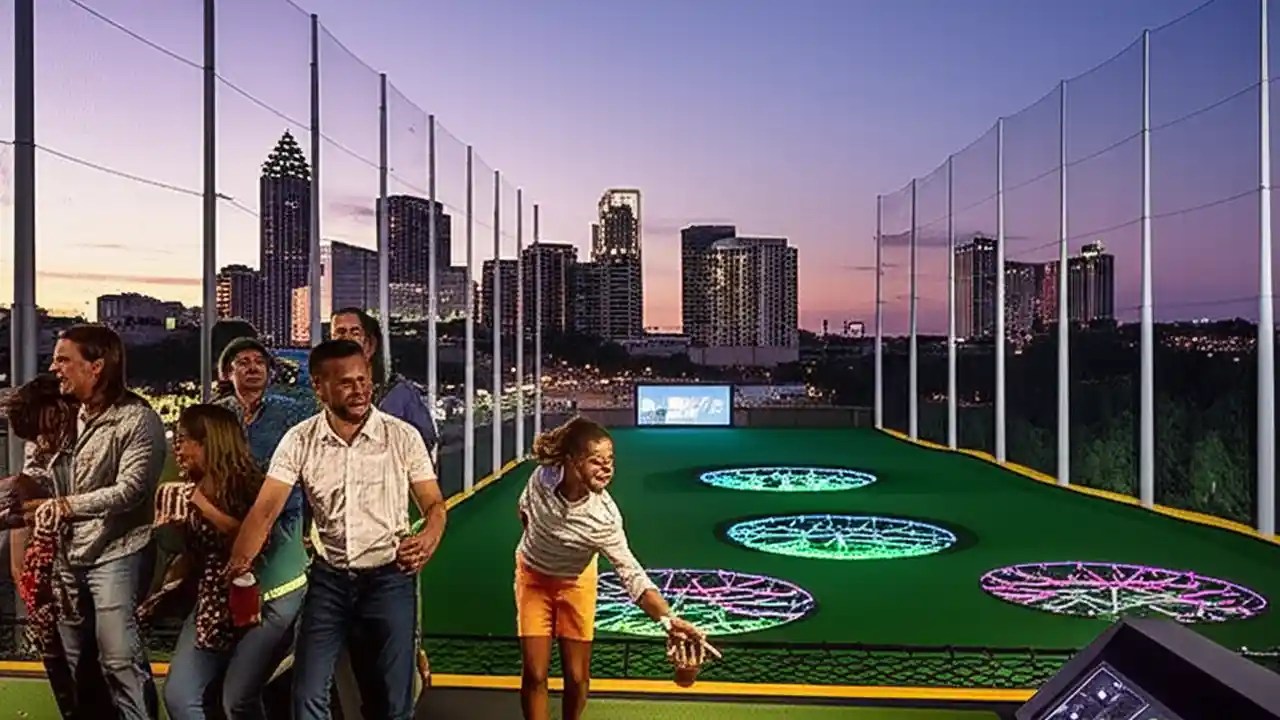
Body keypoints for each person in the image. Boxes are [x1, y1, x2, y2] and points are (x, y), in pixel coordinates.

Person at [226, 339, 447, 720]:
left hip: (389, 580)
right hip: (329, 582)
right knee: (307, 694)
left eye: (364, 379)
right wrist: (239, 562)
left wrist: (429, 535)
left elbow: (433, 505)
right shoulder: (300, 440)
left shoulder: (402, 437)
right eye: (346, 383)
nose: (360, 389)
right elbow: (265, 509)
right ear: (319, 386)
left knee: (393, 702)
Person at [515, 416, 707, 720]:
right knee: (535, 673)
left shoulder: (604, 518)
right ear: (571, 461)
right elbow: (524, 510)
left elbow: (631, 572)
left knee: (577, 678)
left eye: (610, 461)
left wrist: (667, 619)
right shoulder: (542, 478)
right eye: (596, 461)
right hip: (532, 578)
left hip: (576, 583)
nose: (607, 469)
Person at [39, 324, 167, 719]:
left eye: (63, 359)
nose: (54, 367)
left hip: (118, 552)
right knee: (80, 662)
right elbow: (48, 474)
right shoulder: (64, 417)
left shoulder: (138, 419)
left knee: (119, 658)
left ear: (96, 366)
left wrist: (66, 506)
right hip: (67, 555)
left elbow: (132, 490)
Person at [155, 404, 307, 719]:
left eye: (183, 440)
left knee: (238, 699)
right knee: (180, 695)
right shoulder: (188, 486)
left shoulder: (253, 484)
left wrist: (203, 506)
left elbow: (258, 540)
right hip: (212, 602)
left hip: (263, 600)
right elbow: (197, 555)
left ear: (208, 442)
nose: (177, 448)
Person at [2, 374, 113, 719]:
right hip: (49, 574)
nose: (44, 441)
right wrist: (24, 577)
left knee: (97, 671)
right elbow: (22, 515)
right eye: (37, 435)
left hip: (96, 569)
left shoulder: (100, 442)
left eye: (50, 428)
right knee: (63, 675)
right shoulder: (39, 447)